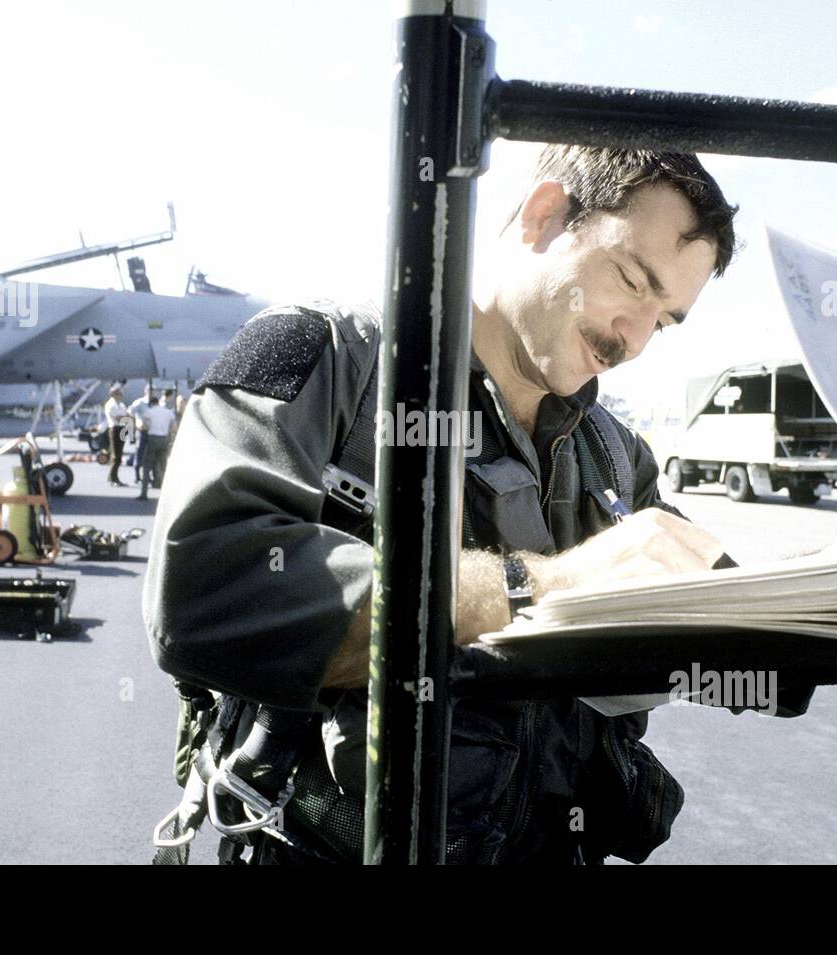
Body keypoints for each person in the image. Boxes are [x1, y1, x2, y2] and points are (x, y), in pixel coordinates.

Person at [144, 145, 738, 864]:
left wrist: (824, 609)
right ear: (544, 215)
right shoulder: (330, 358)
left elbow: (691, 608)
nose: (634, 338)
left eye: (666, 320)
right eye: (631, 281)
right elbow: (204, 589)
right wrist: (542, 588)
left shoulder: (614, 456)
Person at [138, 392, 176, 501]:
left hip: (152, 439)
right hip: (164, 439)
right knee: (163, 467)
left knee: (146, 466)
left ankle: (144, 493)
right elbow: (173, 427)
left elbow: (144, 426)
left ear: (151, 404)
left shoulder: (148, 412)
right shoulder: (168, 412)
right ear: (158, 403)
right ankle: (166, 495)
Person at [102, 385, 132, 487]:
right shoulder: (110, 404)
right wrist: (126, 417)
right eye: (119, 393)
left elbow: (127, 416)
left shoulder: (121, 405)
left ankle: (113, 477)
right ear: (113, 394)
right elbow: (119, 418)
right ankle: (113, 478)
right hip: (115, 429)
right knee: (116, 456)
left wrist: (126, 418)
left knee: (119, 455)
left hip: (123, 429)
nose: (121, 395)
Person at [129, 385, 153, 483]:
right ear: (145, 391)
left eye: (152, 390)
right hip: (142, 431)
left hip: (152, 432)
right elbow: (130, 412)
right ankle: (137, 476)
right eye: (149, 390)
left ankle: (147, 476)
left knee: (149, 455)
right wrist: (135, 424)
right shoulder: (140, 402)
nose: (151, 392)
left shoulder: (155, 403)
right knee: (139, 453)